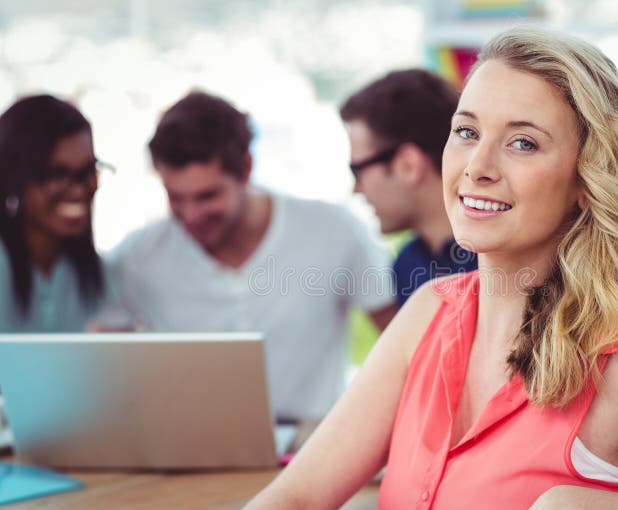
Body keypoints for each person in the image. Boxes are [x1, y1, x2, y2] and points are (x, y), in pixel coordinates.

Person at [229, 27, 618, 510]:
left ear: (586, 179)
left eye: (523, 142)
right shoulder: (429, 312)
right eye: (466, 131)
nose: (478, 166)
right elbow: (293, 504)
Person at [107, 91, 396, 421]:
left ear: (245, 168)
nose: (191, 215)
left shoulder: (334, 231)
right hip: (191, 450)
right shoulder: (137, 257)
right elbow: (98, 365)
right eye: (176, 198)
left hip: (312, 446)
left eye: (207, 196)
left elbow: (403, 346)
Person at [341, 69, 477, 307]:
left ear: (408, 165)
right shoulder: (408, 264)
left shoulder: (498, 260)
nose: (356, 189)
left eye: (358, 171)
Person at [0, 95, 109, 332]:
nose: (79, 189)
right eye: (57, 174)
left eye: (87, 171)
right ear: (12, 178)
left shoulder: (102, 276)